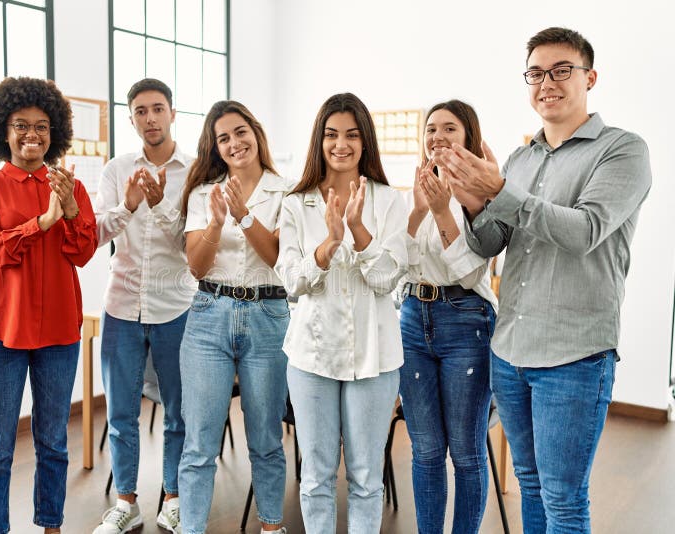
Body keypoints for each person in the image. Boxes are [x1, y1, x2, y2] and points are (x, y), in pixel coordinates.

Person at [434, 27, 652, 532]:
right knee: (531, 485)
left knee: (564, 498)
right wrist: (471, 200)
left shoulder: (622, 151)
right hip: (510, 351)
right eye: (535, 73)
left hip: (573, 356)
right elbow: (491, 244)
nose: (546, 83)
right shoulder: (519, 159)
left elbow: (584, 231)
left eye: (561, 70)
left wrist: (498, 190)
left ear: (589, 78)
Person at [0, 76, 98, 534]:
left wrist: (71, 211)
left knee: (54, 443)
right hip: (0, 332)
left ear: (53, 133)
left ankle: (51, 525)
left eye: (42, 127)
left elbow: (82, 253)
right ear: (3, 131)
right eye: (21, 126)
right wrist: (41, 222)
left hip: (59, 333)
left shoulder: (69, 187)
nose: (32, 136)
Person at [275, 92, 408, 533]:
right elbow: (292, 282)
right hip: (311, 358)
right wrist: (328, 244)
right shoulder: (297, 203)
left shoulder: (389, 201)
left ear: (365, 141)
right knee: (315, 477)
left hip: (375, 358)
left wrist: (357, 231)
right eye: (331, 134)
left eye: (352, 135)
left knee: (367, 477)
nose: (341, 144)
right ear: (320, 141)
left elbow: (389, 279)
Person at [177, 100, 290, 534]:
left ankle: (271, 527)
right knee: (200, 442)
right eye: (223, 138)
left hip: (267, 313)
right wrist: (215, 222)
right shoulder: (205, 194)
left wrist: (242, 216)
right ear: (216, 148)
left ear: (256, 134)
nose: (234, 143)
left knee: (265, 438)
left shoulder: (288, 192)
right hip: (209, 315)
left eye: (240, 132)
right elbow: (196, 266)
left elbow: (278, 258)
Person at [92, 79, 195, 534]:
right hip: (121, 306)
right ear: (131, 118)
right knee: (120, 412)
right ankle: (126, 500)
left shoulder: (195, 172)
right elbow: (95, 234)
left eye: (157, 109)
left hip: (177, 306)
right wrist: (129, 206)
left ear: (173, 113)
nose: (149, 118)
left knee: (179, 411)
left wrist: (162, 208)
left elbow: (196, 248)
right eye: (140, 111)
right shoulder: (117, 170)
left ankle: (173, 498)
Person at [398, 100, 498, 533]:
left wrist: (442, 210)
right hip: (412, 318)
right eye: (431, 129)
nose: (437, 136)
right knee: (425, 451)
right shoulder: (412, 192)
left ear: (468, 138)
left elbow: (473, 271)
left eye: (449, 129)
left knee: (466, 451)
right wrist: (420, 208)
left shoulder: (483, 194)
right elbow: (394, 265)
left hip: (466, 321)